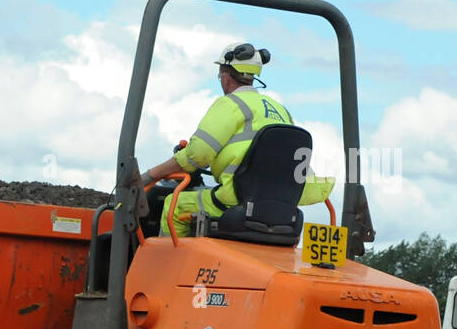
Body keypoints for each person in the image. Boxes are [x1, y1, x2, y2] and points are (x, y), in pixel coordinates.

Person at [139, 42, 334, 237]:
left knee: (173, 207)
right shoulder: (280, 110)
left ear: (225, 77)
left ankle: (170, 267)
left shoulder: (231, 104)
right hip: (283, 211)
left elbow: (197, 155)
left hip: (234, 201)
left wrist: (150, 175)